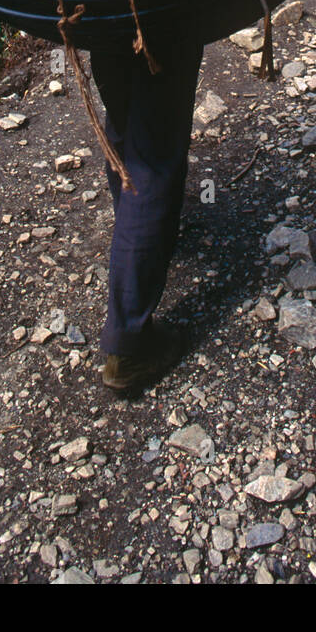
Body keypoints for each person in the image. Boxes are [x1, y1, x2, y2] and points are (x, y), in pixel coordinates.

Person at [88, 28, 204, 392]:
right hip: (155, 9)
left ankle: (137, 232)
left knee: (126, 115)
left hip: (96, 5)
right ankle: (128, 348)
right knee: (154, 151)